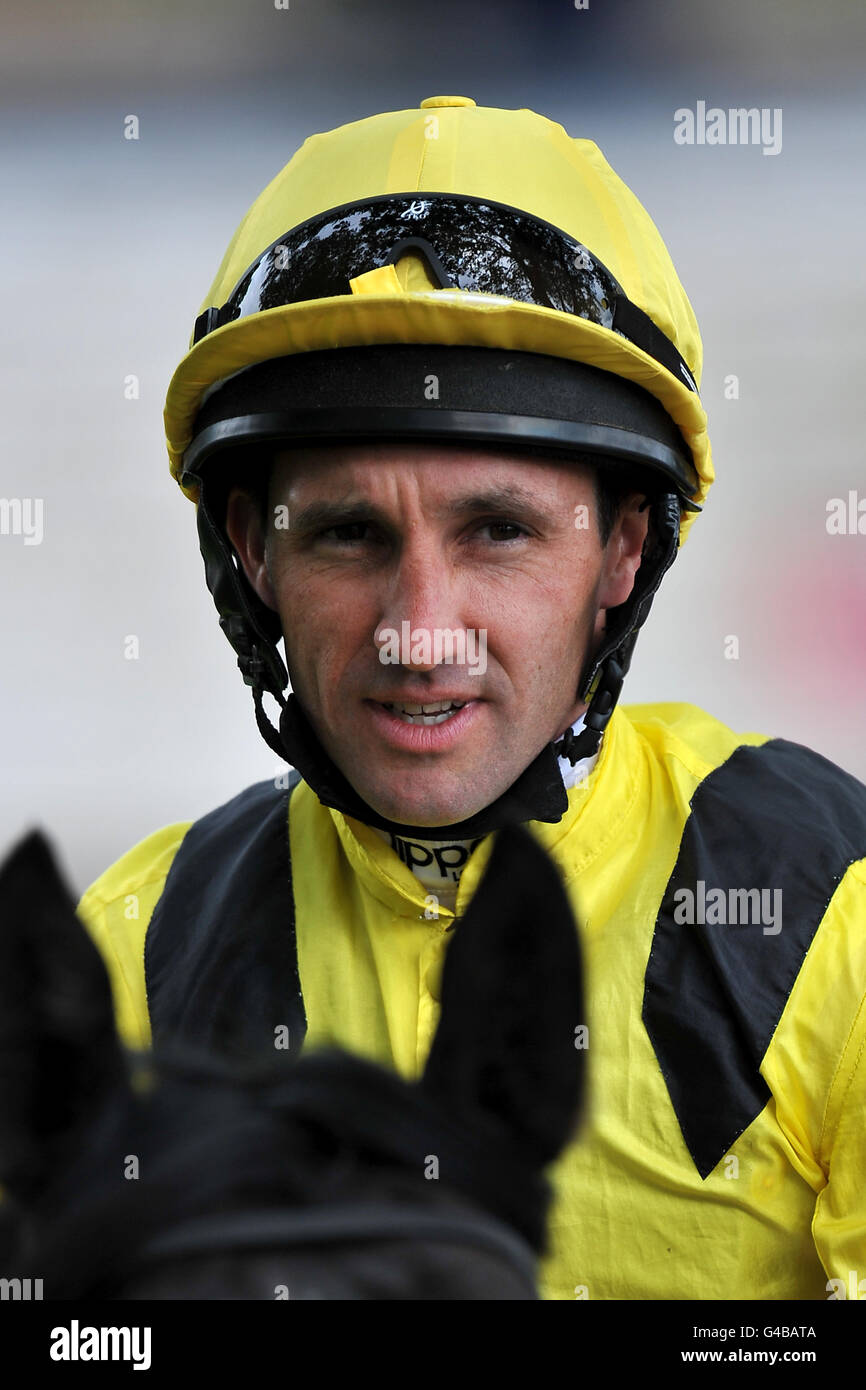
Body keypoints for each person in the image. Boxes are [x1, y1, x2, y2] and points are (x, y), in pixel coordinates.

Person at [77, 95, 866, 1301]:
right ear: (254, 551)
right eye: (347, 533)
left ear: (621, 551)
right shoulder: (129, 963)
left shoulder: (828, 923)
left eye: (496, 530)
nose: (417, 629)